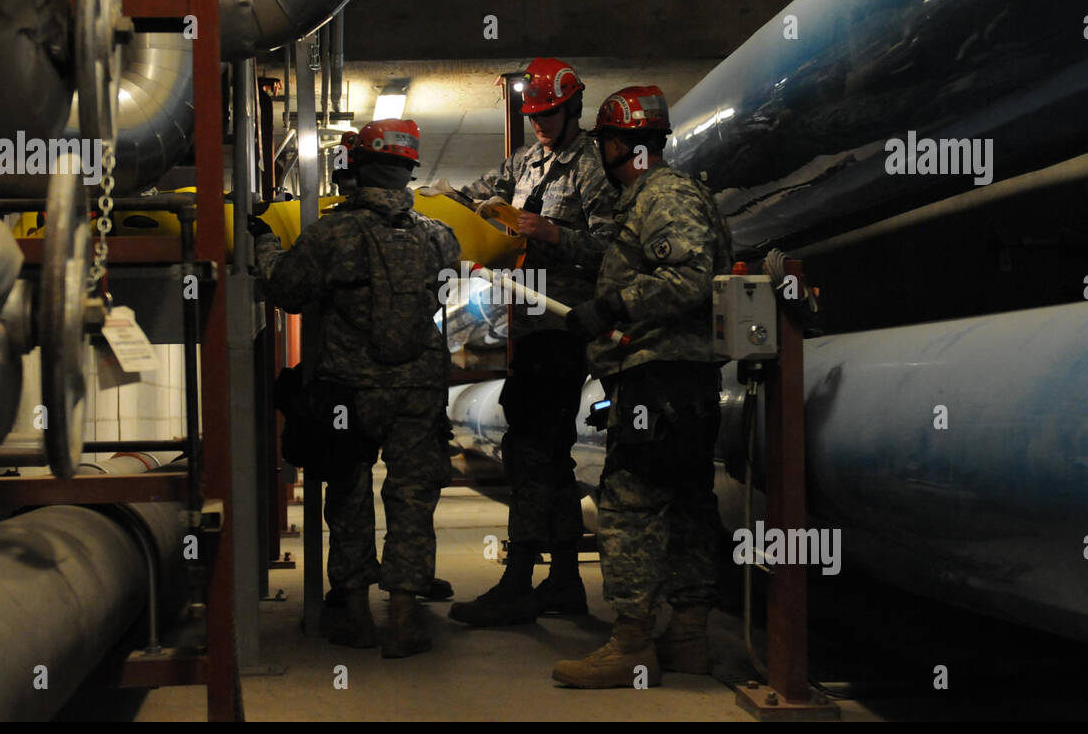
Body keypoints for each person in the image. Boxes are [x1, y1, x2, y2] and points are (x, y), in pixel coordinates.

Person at [254, 119, 460, 658]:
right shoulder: (440, 235)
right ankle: (404, 615)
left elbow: (287, 290)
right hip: (419, 386)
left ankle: (356, 614)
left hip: (350, 388)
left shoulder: (332, 233)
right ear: (410, 171)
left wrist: (266, 244)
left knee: (348, 491)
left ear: (359, 166)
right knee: (412, 496)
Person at [552, 86, 733, 688]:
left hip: (659, 377)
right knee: (687, 503)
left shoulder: (663, 194)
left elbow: (688, 278)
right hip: (681, 377)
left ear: (620, 145)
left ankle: (631, 643)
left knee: (630, 503)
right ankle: (687, 639)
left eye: (605, 141)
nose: (602, 152)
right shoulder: (658, 196)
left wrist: (610, 307)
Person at [449, 58, 618, 626]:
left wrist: (554, 234)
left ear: (573, 109)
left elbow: (612, 248)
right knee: (548, 455)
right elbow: (475, 194)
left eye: (548, 114)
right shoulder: (526, 161)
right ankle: (564, 581)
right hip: (527, 324)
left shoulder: (593, 167)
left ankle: (520, 579)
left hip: (562, 329)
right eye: (534, 116)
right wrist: (444, 201)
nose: (540, 124)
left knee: (528, 450)